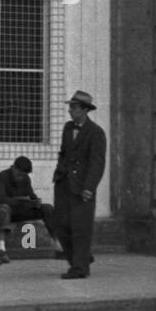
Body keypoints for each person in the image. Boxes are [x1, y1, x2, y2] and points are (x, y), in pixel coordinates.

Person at [53, 90, 106, 280]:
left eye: (74, 108)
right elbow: (64, 153)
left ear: (85, 110)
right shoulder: (68, 128)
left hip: (82, 188)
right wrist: (60, 171)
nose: (70, 111)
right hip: (63, 184)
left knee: (80, 228)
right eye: (70, 107)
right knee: (60, 225)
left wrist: (89, 188)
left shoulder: (96, 132)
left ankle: (79, 268)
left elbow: (97, 163)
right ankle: (82, 257)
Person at [0, 155, 60, 262]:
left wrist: (35, 202)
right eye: (19, 175)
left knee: (47, 208)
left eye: (23, 175)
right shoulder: (2, 176)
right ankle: (1, 248)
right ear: (13, 168)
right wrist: (20, 200)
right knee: (5, 208)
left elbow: (31, 196)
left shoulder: (26, 179)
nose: (20, 177)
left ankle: (58, 243)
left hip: (17, 211)